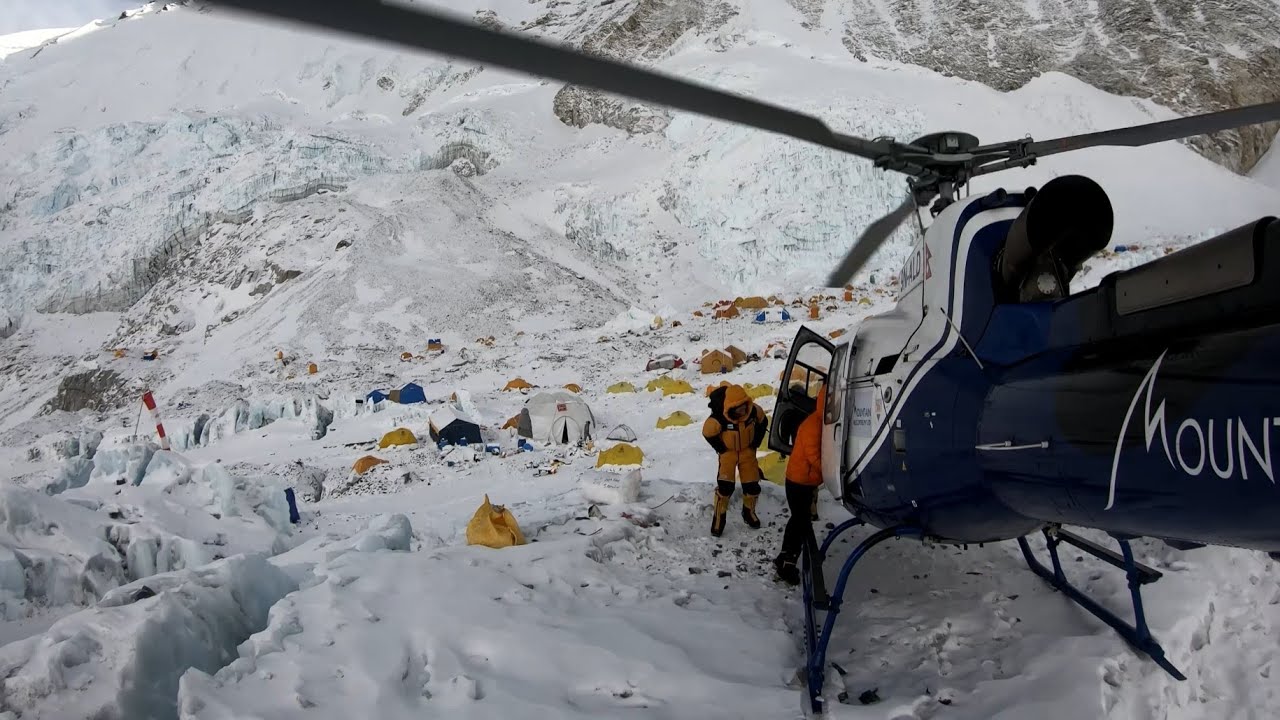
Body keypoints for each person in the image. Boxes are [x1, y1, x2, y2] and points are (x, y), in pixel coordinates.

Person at [774, 382, 825, 585]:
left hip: (802, 480)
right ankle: (788, 565)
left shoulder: (818, 421)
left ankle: (784, 557)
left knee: (798, 520)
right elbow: (814, 456)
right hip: (799, 482)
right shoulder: (814, 424)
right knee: (801, 523)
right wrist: (831, 473)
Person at [702, 383, 769, 537]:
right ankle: (719, 518)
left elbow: (763, 421)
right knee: (725, 488)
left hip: (747, 453)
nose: (743, 410)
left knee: (752, 486)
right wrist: (721, 448)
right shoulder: (719, 418)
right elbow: (707, 432)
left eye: (744, 406)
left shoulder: (753, 411)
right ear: (731, 407)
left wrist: (755, 443)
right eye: (739, 408)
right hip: (728, 455)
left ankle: (748, 513)